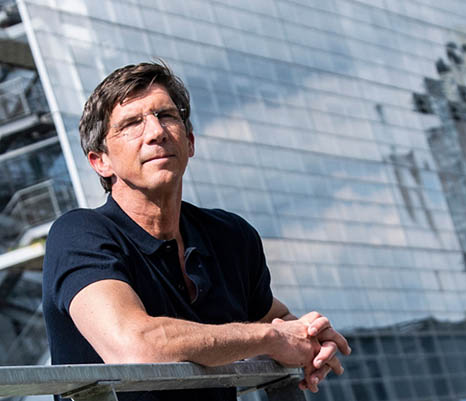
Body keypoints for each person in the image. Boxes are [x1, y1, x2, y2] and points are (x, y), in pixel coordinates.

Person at [42, 62, 350, 401]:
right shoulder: (79, 235)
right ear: (101, 161)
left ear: (189, 142)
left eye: (167, 116)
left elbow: (275, 320)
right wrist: (272, 339)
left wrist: (312, 338)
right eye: (132, 123)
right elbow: (134, 345)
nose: (156, 132)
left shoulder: (230, 236)